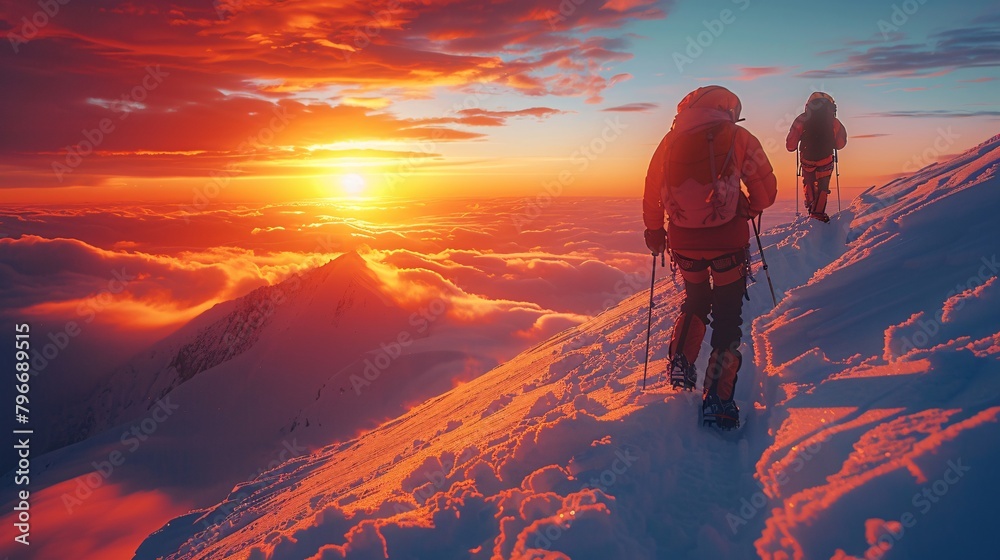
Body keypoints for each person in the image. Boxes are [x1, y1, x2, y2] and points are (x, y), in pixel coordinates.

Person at [642, 85, 777, 430]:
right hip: (727, 244)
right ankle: (718, 397)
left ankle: (681, 362)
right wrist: (751, 207)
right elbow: (765, 190)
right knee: (728, 317)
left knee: (697, 298)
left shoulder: (669, 141)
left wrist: (655, 231)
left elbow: (651, 188)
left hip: (684, 244)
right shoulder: (739, 136)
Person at [785, 92, 848, 223]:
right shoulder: (833, 121)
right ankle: (818, 213)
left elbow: (790, 145)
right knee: (823, 185)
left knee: (808, 181)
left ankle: (811, 207)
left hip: (807, 158)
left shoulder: (802, 119)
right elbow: (840, 144)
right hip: (826, 158)